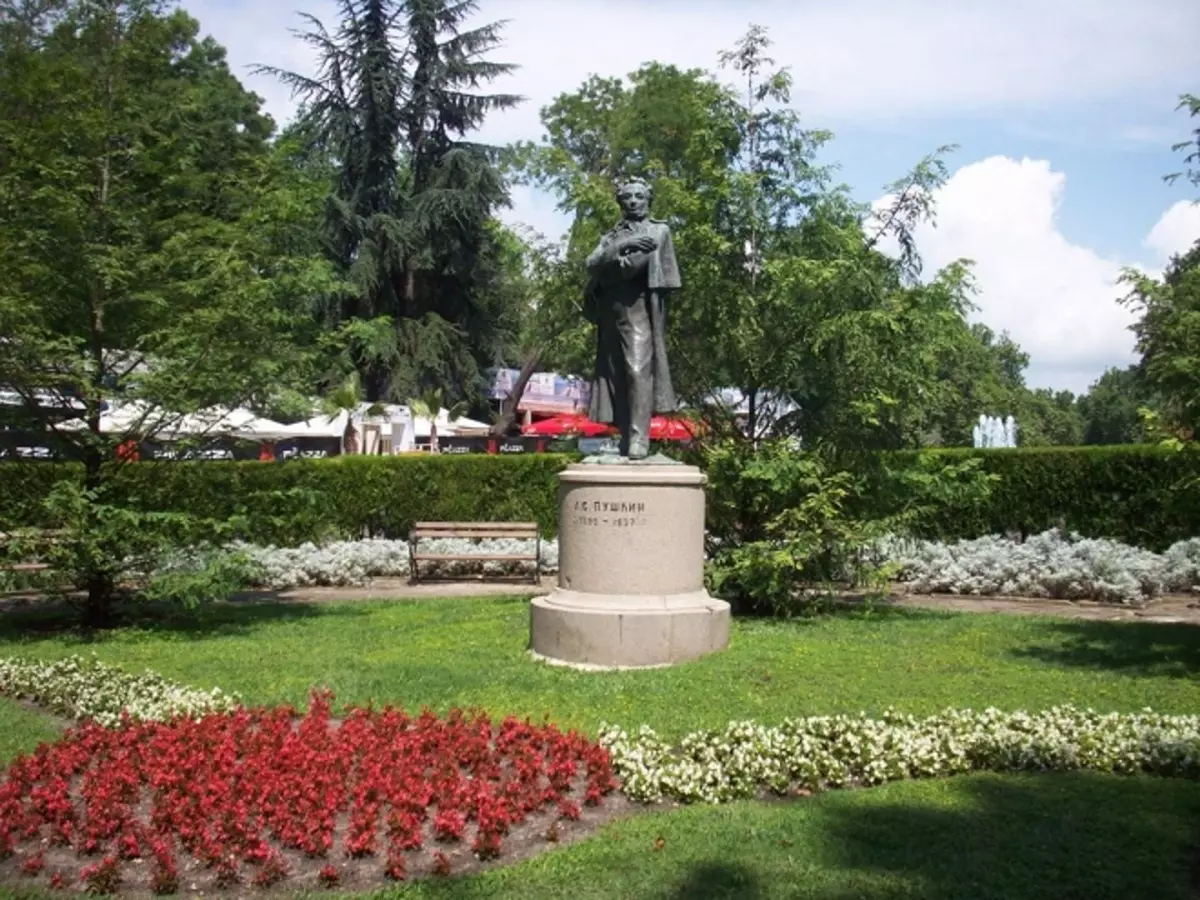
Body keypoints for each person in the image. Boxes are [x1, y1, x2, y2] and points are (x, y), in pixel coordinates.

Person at [583, 178, 681, 459]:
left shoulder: (657, 230)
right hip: (609, 312)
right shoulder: (613, 235)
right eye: (628, 197)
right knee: (615, 375)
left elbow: (631, 267)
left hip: (638, 310)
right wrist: (622, 246)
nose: (634, 201)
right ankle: (626, 438)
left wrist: (609, 262)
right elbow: (591, 264)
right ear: (620, 202)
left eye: (639, 196)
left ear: (648, 199)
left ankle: (640, 439)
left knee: (638, 370)